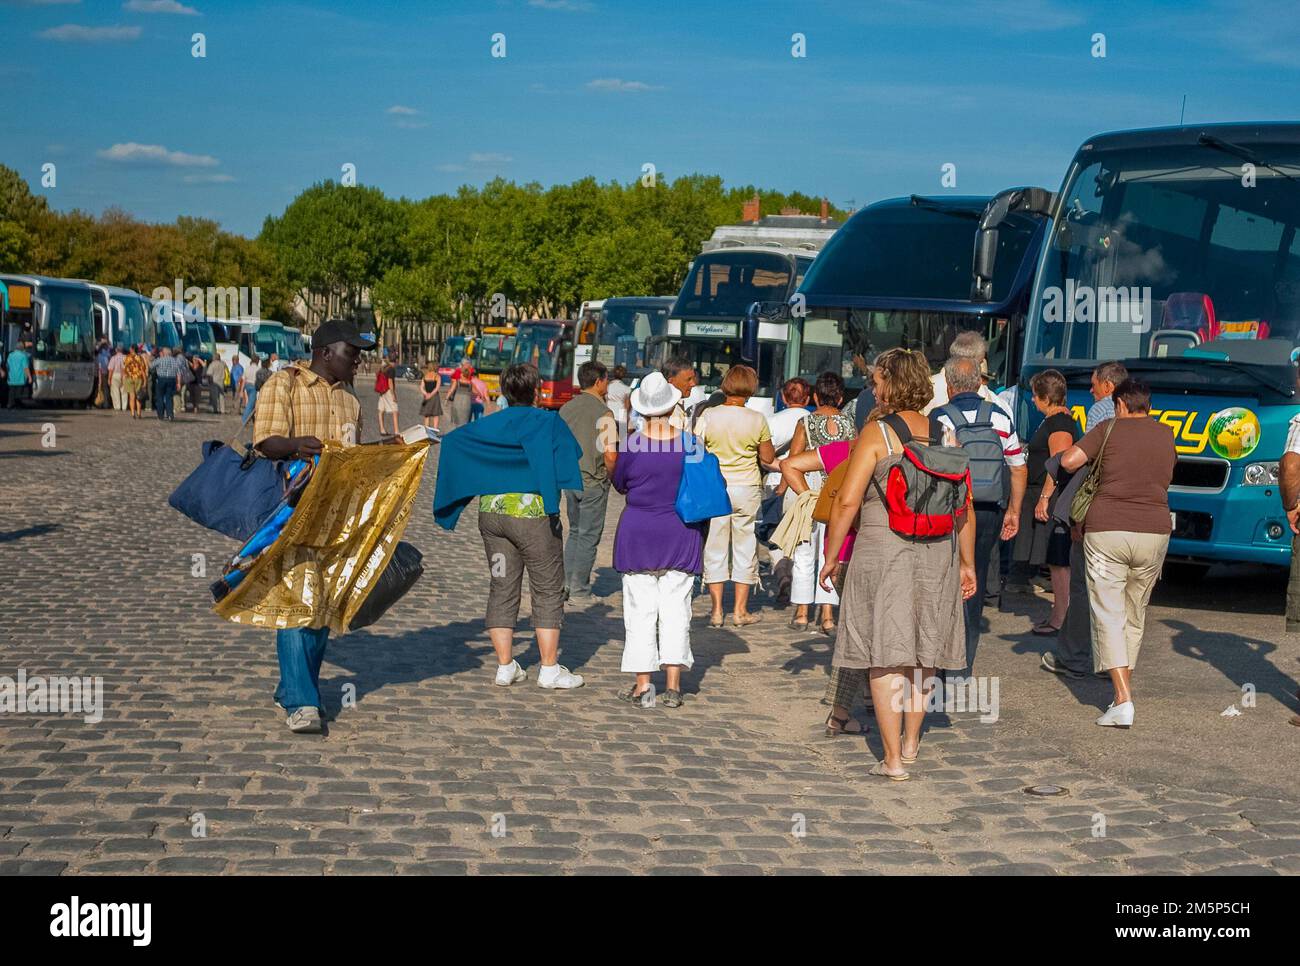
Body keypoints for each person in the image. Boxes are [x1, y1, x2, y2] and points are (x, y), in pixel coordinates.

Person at [819, 348, 977, 780]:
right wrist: (968, 563)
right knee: (924, 651)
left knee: (885, 653)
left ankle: (890, 761)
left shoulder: (876, 434)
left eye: (876, 380)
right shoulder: (946, 434)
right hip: (937, 551)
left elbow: (848, 499)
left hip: (884, 549)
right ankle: (910, 743)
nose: (873, 387)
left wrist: (831, 556)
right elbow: (964, 507)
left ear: (890, 384)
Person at [433, 363, 586, 690]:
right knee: (546, 589)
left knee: (501, 585)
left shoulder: (489, 424)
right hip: (533, 518)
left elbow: (454, 442)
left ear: (503, 390)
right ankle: (549, 669)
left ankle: (505, 666)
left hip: (493, 516)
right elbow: (572, 455)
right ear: (536, 389)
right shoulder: (548, 422)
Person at [253, 319, 373, 733]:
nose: (358, 361)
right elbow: (264, 440)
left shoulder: (352, 402)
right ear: (325, 353)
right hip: (291, 511)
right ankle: (303, 702)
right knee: (295, 601)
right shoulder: (283, 386)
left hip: (336, 516)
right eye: (351, 353)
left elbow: (352, 455)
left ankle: (292, 688)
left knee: (321, 605)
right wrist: (294, 445)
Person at [1059, 378, 1176, 729]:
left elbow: (1069, 461)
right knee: (1134, 612)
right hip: (1155, 530)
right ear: (1148, 405)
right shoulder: (1166, 434)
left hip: (1108, 528)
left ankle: (1123, 699)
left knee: (1109, 611)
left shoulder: (1108, 428)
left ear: (1121, 404)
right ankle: (1121, 689)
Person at [613, 371, 705, 709]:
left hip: (638, 531)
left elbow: (620, 483)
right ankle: (674, 685)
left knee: (639, 611)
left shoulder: (631, 443)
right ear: (671, 404)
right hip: (680, 530)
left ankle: (643, 684)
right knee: (676, 608)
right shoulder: (691, 443)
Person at [931, 355, 1027, 673]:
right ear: (979, 383)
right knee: (975, 581)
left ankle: (938, 659)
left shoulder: (940, 417)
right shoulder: (999, 416)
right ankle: (962, 668)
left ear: (949, 385)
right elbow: (1018, 467)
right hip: (988, 510)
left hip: (950, 510)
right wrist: (1013, 510)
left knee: (944, 582)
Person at [781, 435, 861, 735]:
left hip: (836, 550)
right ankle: (840, 712)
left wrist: (813, 498)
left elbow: (790, 464)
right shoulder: (889, 449)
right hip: (862, 551)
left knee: (858, 629)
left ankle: (862, 698)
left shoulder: (847, 448)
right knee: (859, 633)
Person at [694, 364, 776, 627]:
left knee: (715, 546)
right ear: (750, 388)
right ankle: (741, 611)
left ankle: (717, 610)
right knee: (745, 547)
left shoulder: (709, 415)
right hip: (747, 487)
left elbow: (695, 452)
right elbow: (767, 458)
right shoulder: (756, 419)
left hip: (716, 487)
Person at [784, 372, 855, 634]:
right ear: (840, 396)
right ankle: (827, 615)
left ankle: (802, 612)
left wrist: (803, 494)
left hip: (811, 487)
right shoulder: (849, 424)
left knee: (805, 550)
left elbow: (793, 458)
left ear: (815, 396)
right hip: (840, 490)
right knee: (832, 551)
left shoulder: (805, 422)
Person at [1013, 368, 1079, 636]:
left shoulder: (1060, 424)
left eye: (1035, 396)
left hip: (1051, 499)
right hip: (1045, 495)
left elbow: (1059, 463)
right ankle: (1059, 615)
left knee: (1058, 560)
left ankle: (1060, 617)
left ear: (1045, 397)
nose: (1031, 401)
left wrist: (1044, 499)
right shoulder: (1053, 421)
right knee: (1054, 561)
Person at [559, 360, 617, 601]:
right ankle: (580, 589)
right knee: (589, 536)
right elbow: (610, 453)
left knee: (574, 532)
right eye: (606, 380)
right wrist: (610, 477)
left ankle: (565, 584)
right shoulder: (604, 412)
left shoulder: (566, 409)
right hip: (594, 480)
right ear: (598, 381)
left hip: (571, 479)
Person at [921, 331, 1000, 415]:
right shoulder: (989, 398)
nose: (983, 365)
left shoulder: (927, 386)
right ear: (971, 363)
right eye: (981, 362)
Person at [1086, 361, 1129, 429]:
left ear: (1107, 386)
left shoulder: (1099, 410)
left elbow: (1090, 440)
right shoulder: (1136, 408)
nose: (1091, 390)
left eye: (1093, 385)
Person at [660, 356, 698, 431]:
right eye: (688, 379)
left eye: (693, 378)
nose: (693, 384)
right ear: (671, 381)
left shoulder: (674, 407)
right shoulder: (670, 411)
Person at [149, 346, 183, 420]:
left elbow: (151, 366)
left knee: (160, 397)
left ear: (164, 353)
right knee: (169, 398)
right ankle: (170, 414)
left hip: (161, 379)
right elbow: (179, 373)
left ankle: (160, 415)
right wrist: (179, 383)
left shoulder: (160, 360)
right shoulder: (175, 361)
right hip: (172, 379)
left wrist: (151, 360)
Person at [447, 357, 475, 428]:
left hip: (461, 398)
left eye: (469, 364)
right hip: (464, 399)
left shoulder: (471, 371)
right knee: (462, 420)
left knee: (460, 420)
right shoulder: (460, 371)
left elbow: (452, 381)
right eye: (467, 363)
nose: (469, 365)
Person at [123, 345, 148, 419]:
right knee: (138, 396)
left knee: (131, 396)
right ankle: (139, 413)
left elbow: (125, 368)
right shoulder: (140, 358)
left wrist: (124, 377)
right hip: (138, 378)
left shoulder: (127, 357)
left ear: (132, 349)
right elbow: (142, 370)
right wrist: (145, 381)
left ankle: (132, 413)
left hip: (129, 378)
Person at [376, 357, 399, 435]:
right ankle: (396, 431)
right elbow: (390, 382)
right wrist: (393, 395)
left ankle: (382, 429)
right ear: (395, 362)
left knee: (381, 410)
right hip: (388, 390)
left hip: (382, 391)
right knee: (395, 410)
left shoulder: (383, 368)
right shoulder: (391, 369)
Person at [419, 361, 443, 435]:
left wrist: (426, 394)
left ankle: (426, 431)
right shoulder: (437, 376)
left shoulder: (425, 376)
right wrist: (431, 394)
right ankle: (434, 431)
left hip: (426, 397)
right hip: (435, 397)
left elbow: (421, 387)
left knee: (427, 415)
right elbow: (437, 388)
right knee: (436, 415)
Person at [6, 341, 32, 408]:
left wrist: (8, 374)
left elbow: (7, 366)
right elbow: (25, 368)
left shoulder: (10, 355)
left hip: (11, 377)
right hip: (20, 377)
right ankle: (17, 404)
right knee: (18, 392)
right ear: (22, 348)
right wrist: (29, 377)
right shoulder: (23, 356)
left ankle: (10, 404)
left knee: (11, 391)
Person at [605, 364, 632, 429]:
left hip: (609, 416)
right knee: (622, 438)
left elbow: (605, 402)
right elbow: (627, 406)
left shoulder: (607, 387)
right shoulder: (626, 389)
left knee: (610, 438)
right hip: (621, 417)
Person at [107, 346, 127, 411]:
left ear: (116, 350)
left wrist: (109, 379)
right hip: (124, 375)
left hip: (115, 375)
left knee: (115, 391)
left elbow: (111, 369)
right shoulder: (126, 357)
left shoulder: (113, 358)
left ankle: (117, 407)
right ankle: (124, 407)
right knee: (124, 392)